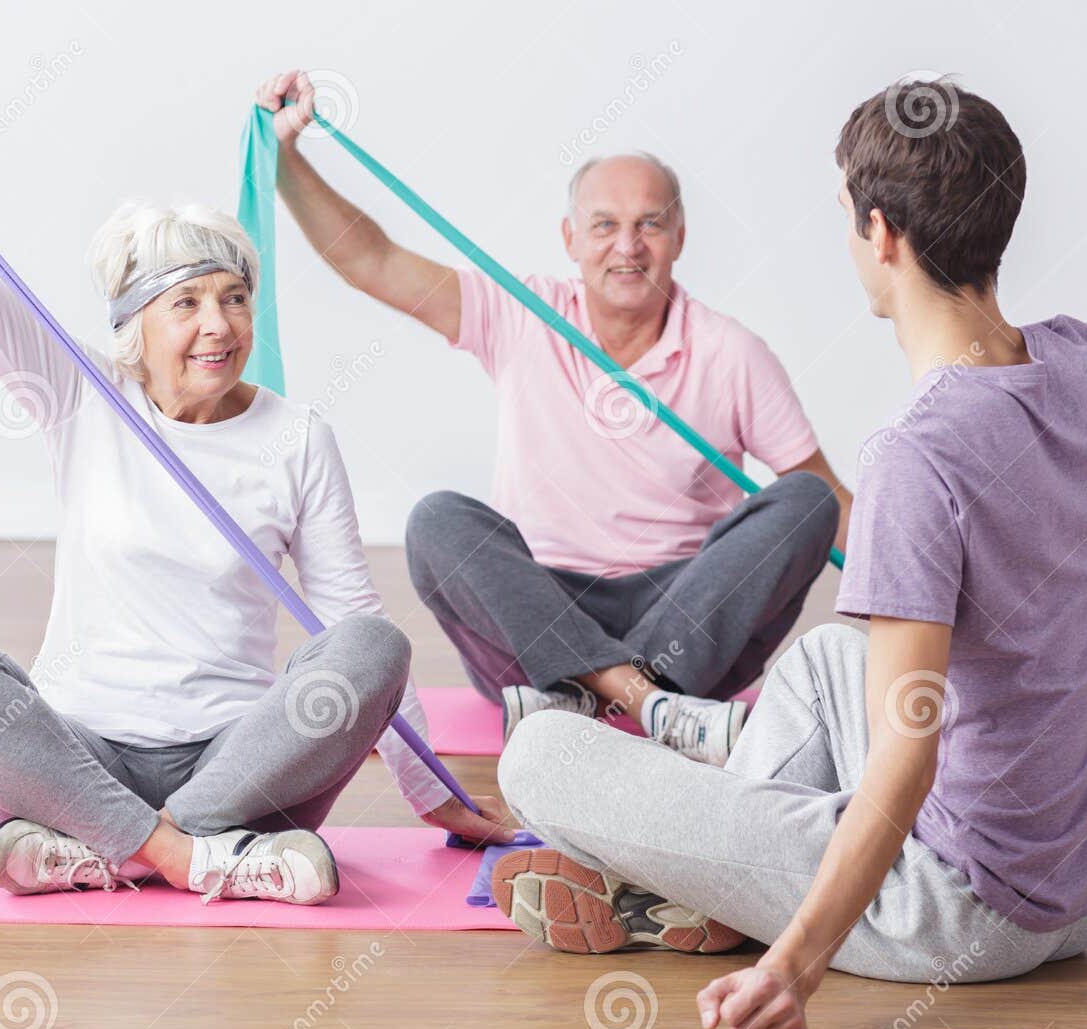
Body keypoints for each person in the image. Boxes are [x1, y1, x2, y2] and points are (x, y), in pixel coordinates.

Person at [492, 45, 1087, 1029]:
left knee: (537, 755)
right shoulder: (1082, 365)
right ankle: (708, 882)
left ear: (881, 232)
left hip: (959, 909)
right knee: (835, 656)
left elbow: (909, 756)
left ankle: (725, 893)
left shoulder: (917, 457)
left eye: (845, 215)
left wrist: (794, 969)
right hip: (1079, 897)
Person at [0, 64, 516, 906]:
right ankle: (205, 857)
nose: (220, 325)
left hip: (236, 763)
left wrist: (435, 794)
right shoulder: (81, 396)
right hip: (79, 754)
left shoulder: (297, 437)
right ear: (133, 326)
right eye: (187, 304)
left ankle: (101, 849)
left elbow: (349, 614)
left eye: (236, 299)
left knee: (373, 649)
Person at [255, 70, 850, 766]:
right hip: (538, 614)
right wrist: (284, 156)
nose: (627, 246)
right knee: (437, 521)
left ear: (679, 236)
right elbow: (372, 260)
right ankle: (648, 704)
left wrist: (934, 603)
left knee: (805, 502)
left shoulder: (732, 353)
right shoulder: (523, 312)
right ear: (570, 237)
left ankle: (584, 698)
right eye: (605, 225)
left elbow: (830, 501)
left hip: (686, 625)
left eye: (649, 223)